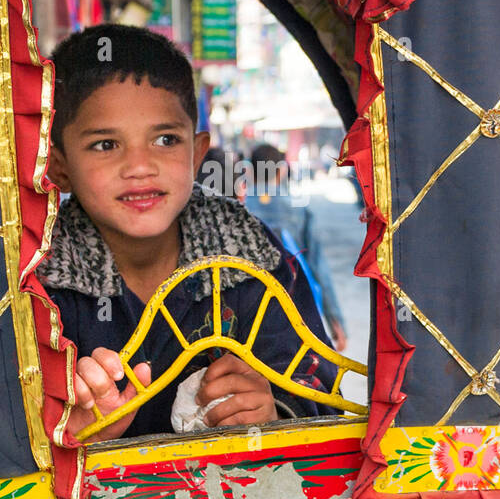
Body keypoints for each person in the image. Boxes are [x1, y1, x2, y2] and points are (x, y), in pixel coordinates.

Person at [37, 24, 336, 442]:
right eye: (106, 145)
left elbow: (324, 394)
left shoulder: (249, 255)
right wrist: (64, 436)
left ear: (196, 155)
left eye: (165, 139)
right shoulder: (38, 276)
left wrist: (272, 411)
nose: (139, 166)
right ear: (59, 167)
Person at [244, 144, 349, 352]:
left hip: (248, 315)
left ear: (248, 170)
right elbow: (319, 268)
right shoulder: (299, 209)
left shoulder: (237, 209)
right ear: (282, 171)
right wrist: (335, 320)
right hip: (295, 310)